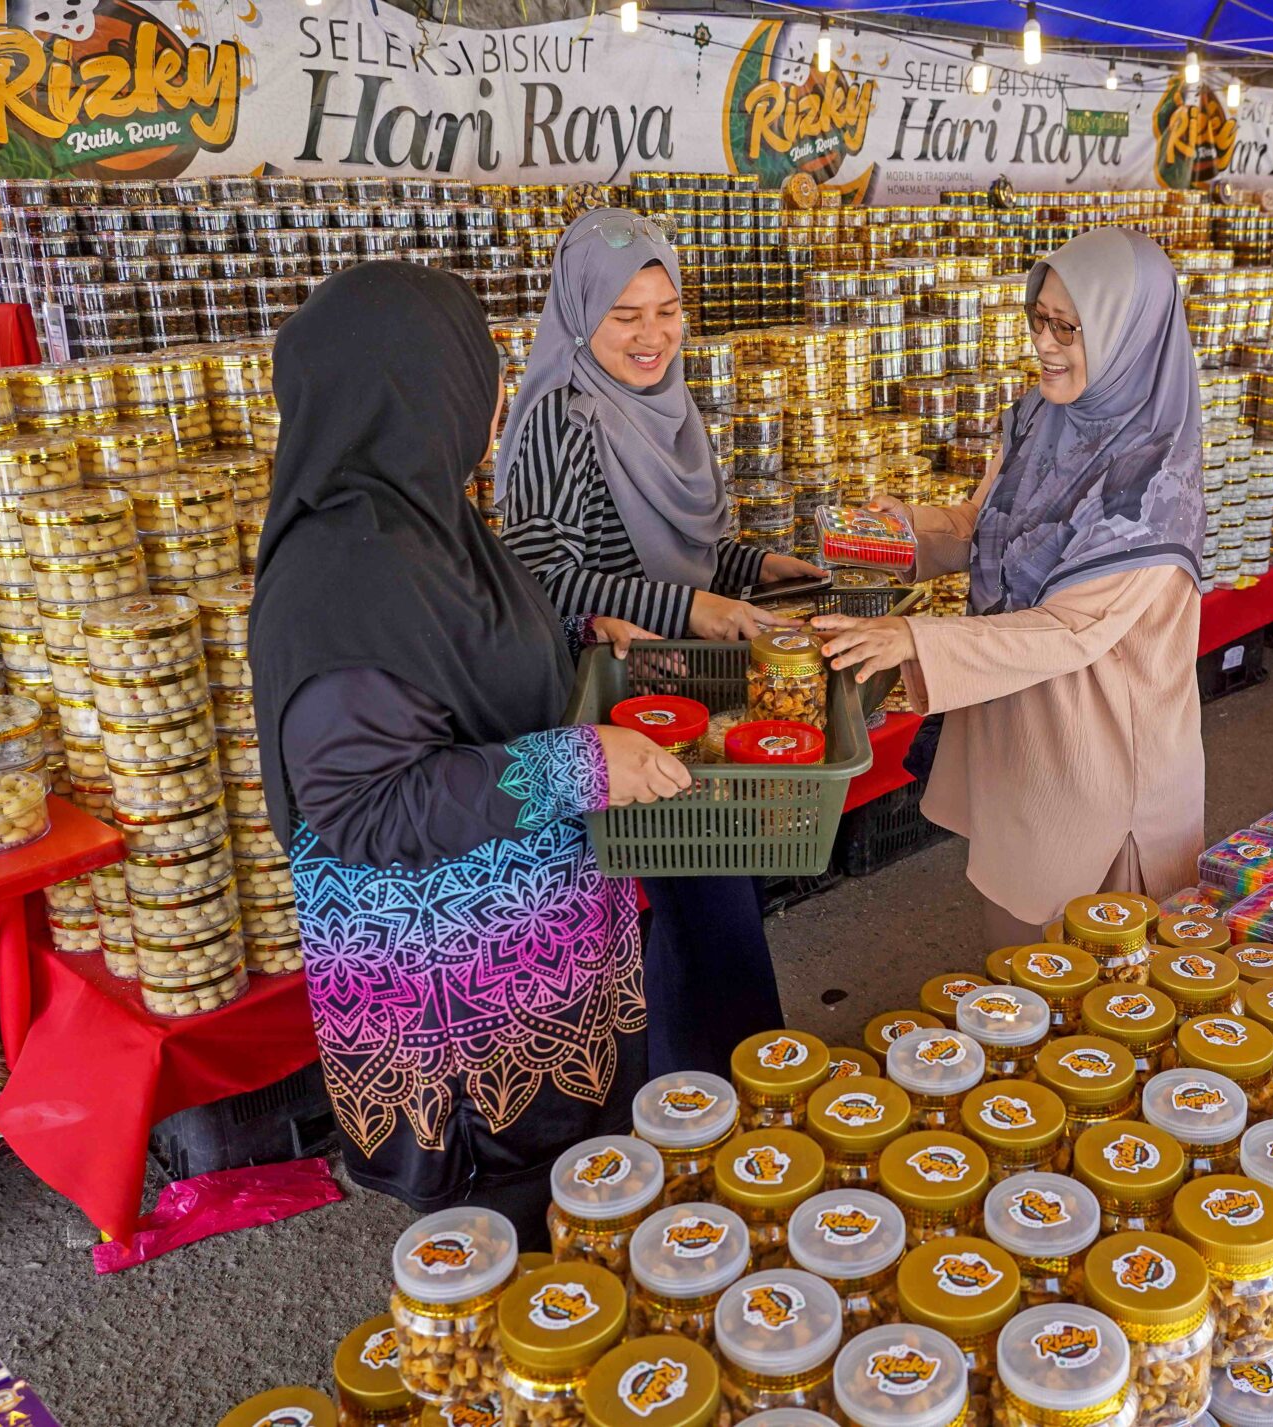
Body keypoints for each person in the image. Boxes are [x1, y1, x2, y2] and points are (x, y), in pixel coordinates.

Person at [251, 262, 693, 1235]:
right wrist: (584, 763)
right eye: (477, 370)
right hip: (462, 1034)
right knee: (511, 1250)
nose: (494, 399)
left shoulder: (419, 522)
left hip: (531, 982)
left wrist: (580, 642)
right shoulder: (349, 574)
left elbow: (463, 666)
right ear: (417, 384)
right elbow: (369, 808)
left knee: (581, 1223)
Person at [812, 229, 1207, 945]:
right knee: (1018, 963)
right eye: (1038, 319)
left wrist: (912, 636)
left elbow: (1070, 629)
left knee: (1098, 994)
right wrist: (905, 533)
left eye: (1067, 326)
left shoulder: (1151, 477)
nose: (1044, 344)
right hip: (1020, 739)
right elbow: (991, 522)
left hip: (1100, 761)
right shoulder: (1042, 417)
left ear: (1127, 330)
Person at [497, 210, 811, 1077]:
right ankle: (726, 1101)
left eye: (667, 309)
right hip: (621, 706)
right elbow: (544, 580)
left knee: (717, 895)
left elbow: (687, 550)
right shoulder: (563, 419)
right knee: (705, 904)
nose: (653, 335)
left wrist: (754, 567)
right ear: (578, 316)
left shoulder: (666, 405)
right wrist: (694, 606)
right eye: (625, 316)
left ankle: (721, 1089)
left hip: (690, 692)